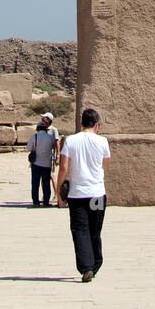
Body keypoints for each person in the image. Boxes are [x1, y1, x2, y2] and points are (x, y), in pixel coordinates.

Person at [57, 108, 110, 282]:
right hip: (97, 194)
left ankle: (86, 267)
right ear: (96, 125)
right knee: (95, 230)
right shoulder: (102, 141)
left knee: (80, 230)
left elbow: (64, 167)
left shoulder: (71, 141)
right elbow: (106, 164)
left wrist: (59, 190)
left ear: (81, 124)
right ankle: (95, 264)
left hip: (77, 195)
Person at [26, 113, 59, 207]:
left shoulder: (34, 137)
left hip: (36, 162)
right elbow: (54, 146)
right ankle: (46, 202)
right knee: (46, 183)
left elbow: (29, 148)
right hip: (47, 163)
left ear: (37, 128)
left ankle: (36, 202)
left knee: (35, 183)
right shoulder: (50, 137)